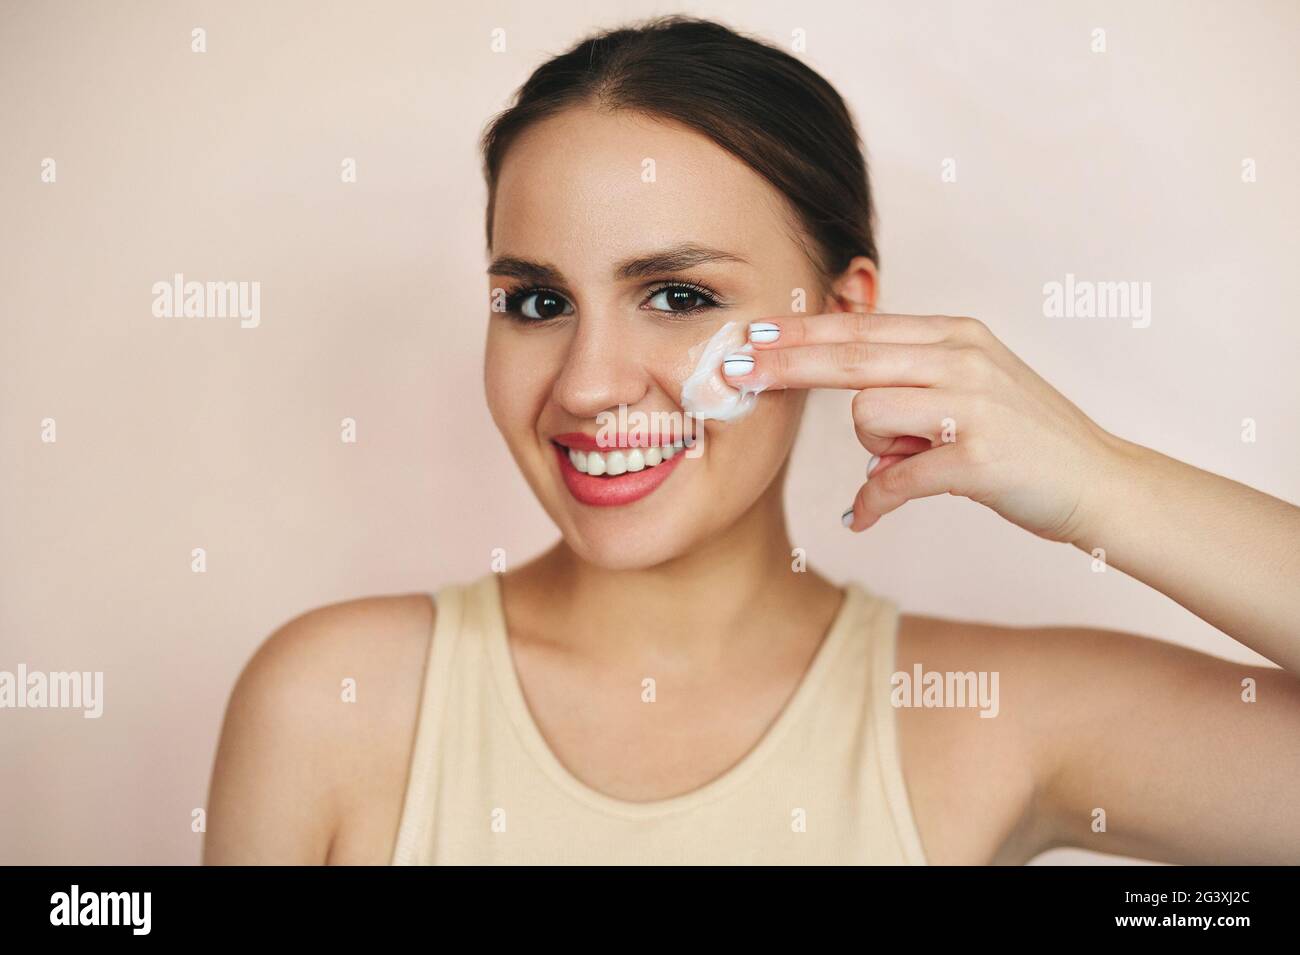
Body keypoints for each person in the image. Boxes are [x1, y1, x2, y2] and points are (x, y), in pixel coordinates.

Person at [204, 15, 1300, 865]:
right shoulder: (332, 700)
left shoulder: (989, 716)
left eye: (676, 294)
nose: (586, 385)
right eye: (536, 303)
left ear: (843, 315)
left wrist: (1102, 484)